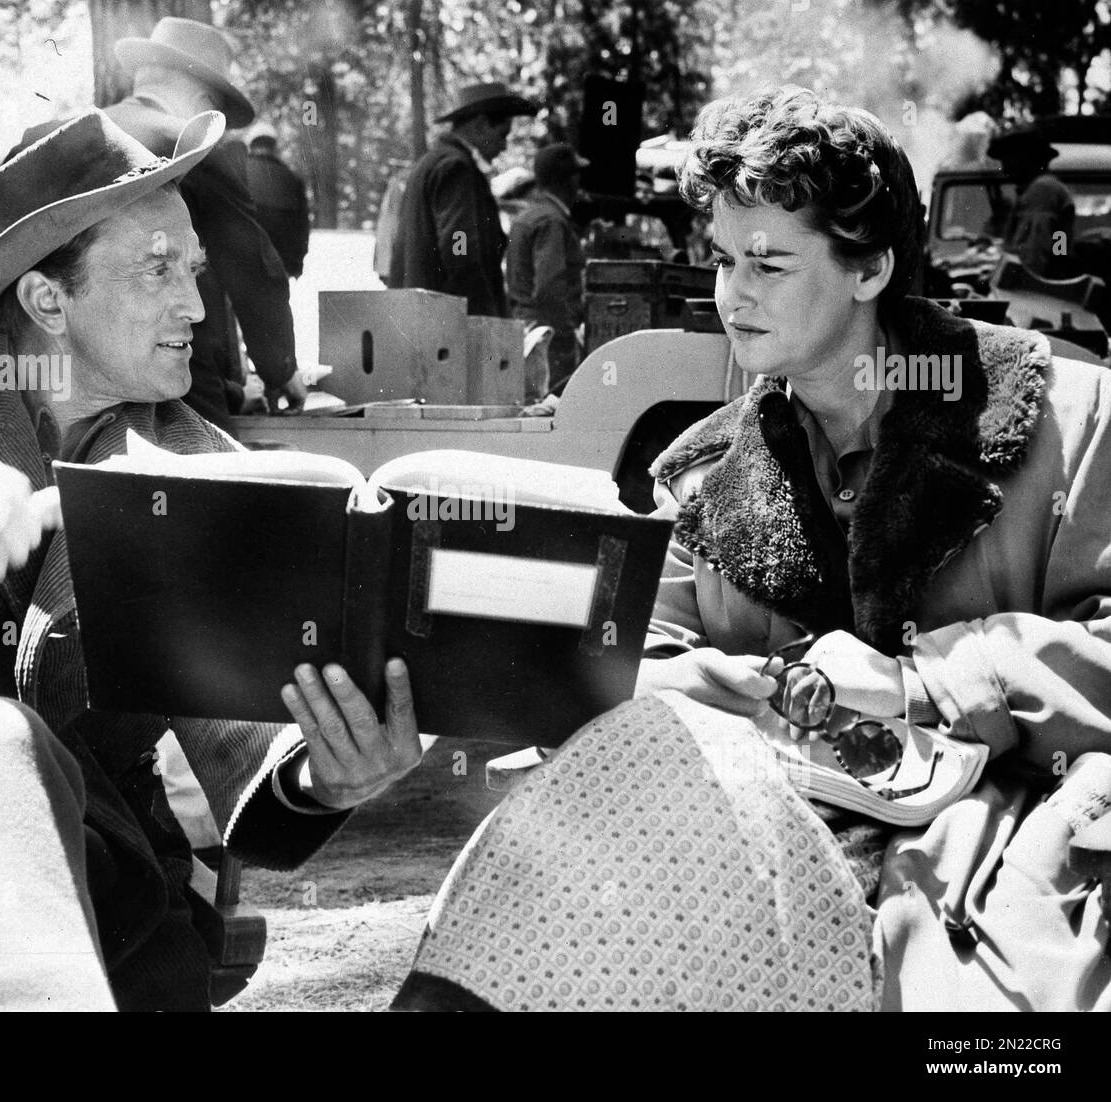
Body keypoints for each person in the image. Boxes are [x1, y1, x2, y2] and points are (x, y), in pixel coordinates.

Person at [393, 87, 1111, 1012]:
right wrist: (666, 685)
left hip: (1002, 886)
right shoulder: (699, 479)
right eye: (723, 260)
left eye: (768, 264)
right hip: (769, 873)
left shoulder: (1068, 417)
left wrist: (924, 683)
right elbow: (645, 644)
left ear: (872, 267)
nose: (731, 295)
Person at [0, 108, 423, 1011]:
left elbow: (244, 734)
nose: (198, 306)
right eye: (157, 269)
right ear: (47, 300)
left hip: (93, 901)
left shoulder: (204, 473)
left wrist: (327, 773)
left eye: (197, 270)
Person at [0, 16, 307, 426]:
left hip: (53, 394)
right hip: (171, 395)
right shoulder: (196, 148)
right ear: (203, 102)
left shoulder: (51, 138)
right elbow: (253, 269)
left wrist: (45, 334)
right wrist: (280, 371)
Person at [388, 81, 537, 316]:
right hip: (446, 323)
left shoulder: (431, 162)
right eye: (502, 134)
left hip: (417, 315)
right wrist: (485, 319)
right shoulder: (456, 167)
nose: (504, 146)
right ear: (479, 125)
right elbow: (459, 248)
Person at [506, 143, 588, 398]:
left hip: (527, 329)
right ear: (570, 179)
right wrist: (566, 335)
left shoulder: (527, 217)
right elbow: (549, 287)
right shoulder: (552, 221)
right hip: (549, 337)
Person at [988, 124, 1075, 279]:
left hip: (1035, 287)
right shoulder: (1046, 187)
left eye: (1009, 158)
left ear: (1028, 158)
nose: (1005, 168)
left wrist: (1015, 281)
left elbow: (1034, 251)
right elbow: (1055, 245)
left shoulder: (1042, 189)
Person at [239, 121, 310, 278]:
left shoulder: (237, 174)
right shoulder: (292, 178)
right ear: (274, 147)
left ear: (250, 145)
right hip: (280, 264)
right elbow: (302, 226)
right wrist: (296, 264)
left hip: (243, 263)